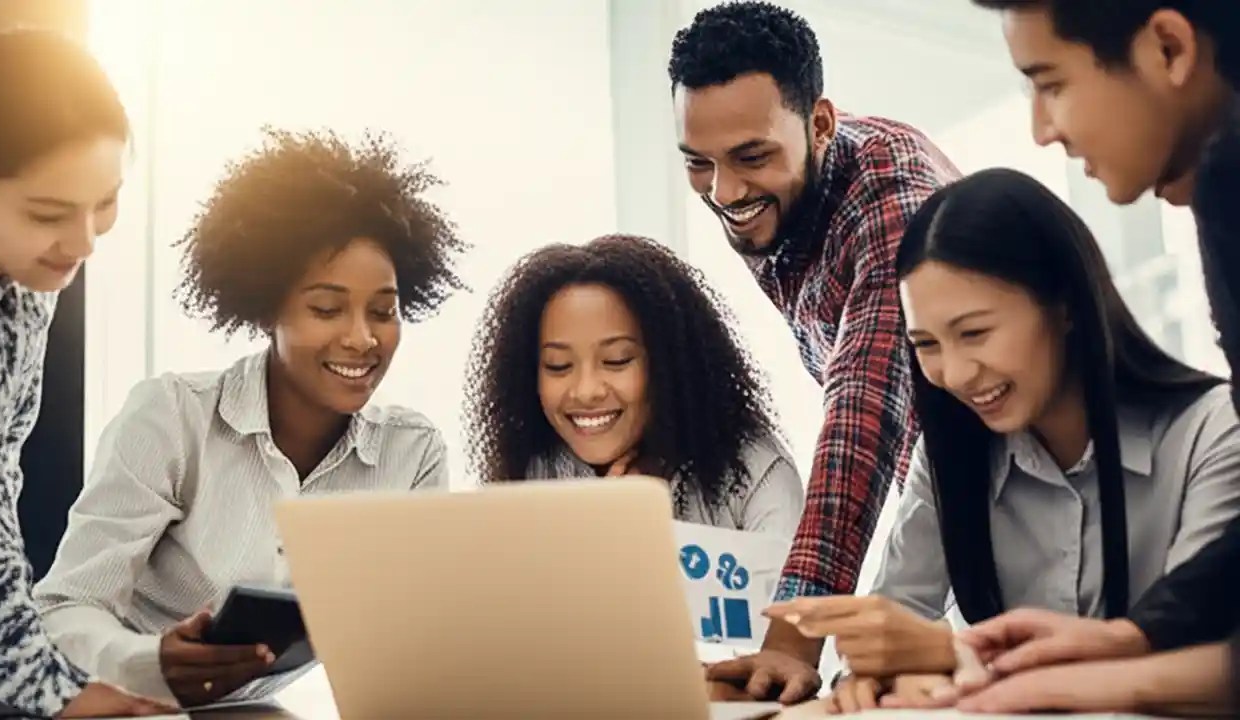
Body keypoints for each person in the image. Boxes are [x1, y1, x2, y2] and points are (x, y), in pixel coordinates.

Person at [760, 168, 1240, 713]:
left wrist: (953, 657)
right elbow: (896, 625)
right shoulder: (947, 452)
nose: (956, 373)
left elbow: (1198, 657)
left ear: (1064, 306)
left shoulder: (1211, 433)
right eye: (926, 344)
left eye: (974, 333)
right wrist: (876, 676)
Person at [32, 128, 466, 708]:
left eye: (383, 312)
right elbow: (65, 609)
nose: (363, 338)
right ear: (267, 308)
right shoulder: (172, 417)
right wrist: (150, 660)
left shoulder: (412, 454)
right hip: (122, 706)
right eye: (327, 308)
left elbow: (405, 642)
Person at [668, 2, 961, 698]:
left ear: (820, 125)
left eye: (750, 158)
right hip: (933, 494)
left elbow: (862, 415)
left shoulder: (895, 202)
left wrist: (793, 641)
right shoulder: (768, 188)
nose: (725, 191)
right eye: (697, 163)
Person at [0, 28, 173, 718]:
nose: (83, 242)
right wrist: (59, 694)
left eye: (104, 203)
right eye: (49, 213)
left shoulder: (24, 272)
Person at [464, 234, 802, 537]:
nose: (586, 390)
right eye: (558, 366)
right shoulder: (528, 478)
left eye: (617, 360)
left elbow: (788, 603)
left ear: (670, 363)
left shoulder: (757, 475)